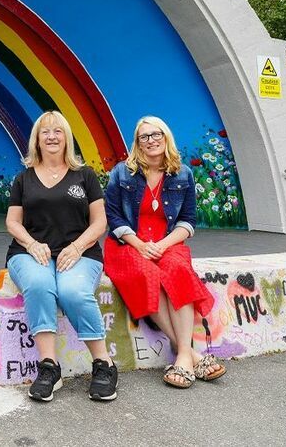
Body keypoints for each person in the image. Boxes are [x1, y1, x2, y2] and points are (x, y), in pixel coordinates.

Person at [103, 116, 227, 388]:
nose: (151, 140)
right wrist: (139, 244)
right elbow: (112, 216)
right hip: (128, 244)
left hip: (168, 242)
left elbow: (188, 220)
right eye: (144, 136)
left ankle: (183, 354)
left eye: (156, 134)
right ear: (137, 143)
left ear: (166, 136)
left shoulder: (183, 174)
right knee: (147, 273)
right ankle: (191, 354)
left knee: (177, 270)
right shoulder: (122, 173)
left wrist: (164, 244)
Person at [4, 111, 118, 402]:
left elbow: (100, 223)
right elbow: (13, 222)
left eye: (58, 131)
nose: (52, 136)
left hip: (79, 251)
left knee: (72, 291)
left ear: (67, 137)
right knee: (41, 285)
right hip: (31, 252)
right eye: (45, 132)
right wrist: (31, 244)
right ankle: (49, 368)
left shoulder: (85, 176)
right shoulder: (24, 178)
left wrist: (77, 247)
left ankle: (104, 364)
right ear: (37, 140)